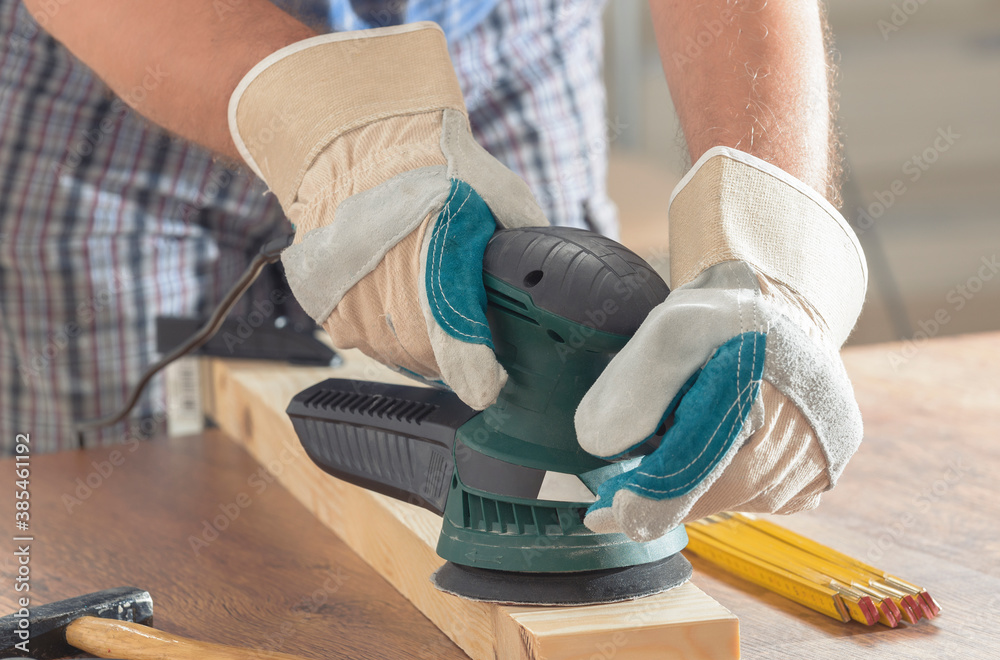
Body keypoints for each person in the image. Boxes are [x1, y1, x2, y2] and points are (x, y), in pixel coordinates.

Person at [2, 0, 866, 541]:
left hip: (499, 37)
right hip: (115, 80)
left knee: (563, 352)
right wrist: (329, 124)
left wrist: (769, 246)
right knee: (101, 523)